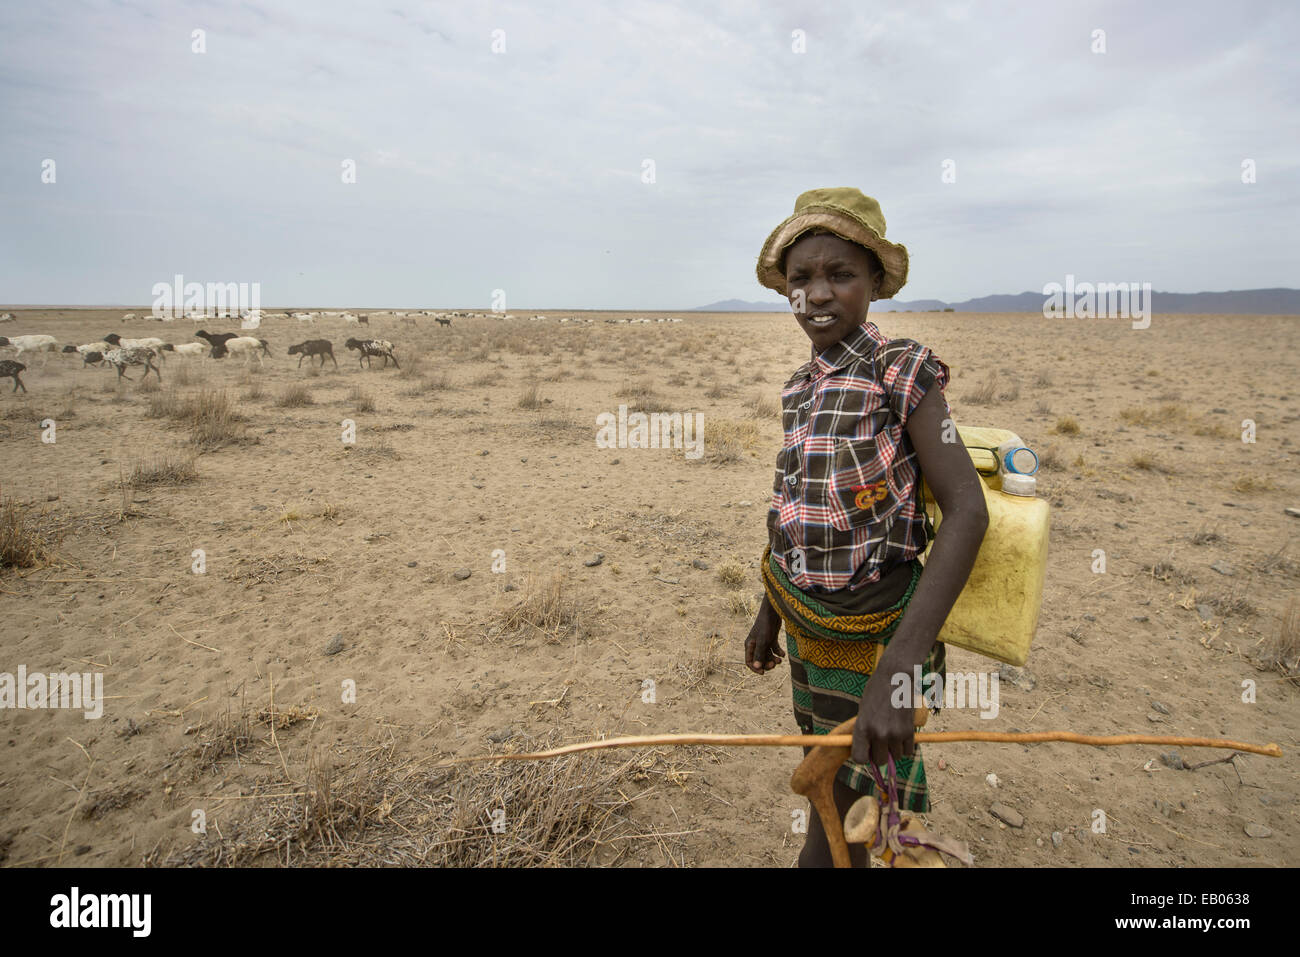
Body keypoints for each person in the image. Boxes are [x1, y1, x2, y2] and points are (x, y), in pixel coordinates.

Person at [743, 188, 989, 867]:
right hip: (811, 629)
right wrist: (771, 608)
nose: (817, 293)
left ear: (875, 281)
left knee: (844, 811)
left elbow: (968, 508)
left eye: (840, 274)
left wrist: (902, 666)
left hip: (882, 636)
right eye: (801, 279)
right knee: (830, 776)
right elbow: (794, 503)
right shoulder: (800, 386)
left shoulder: (903, 371)